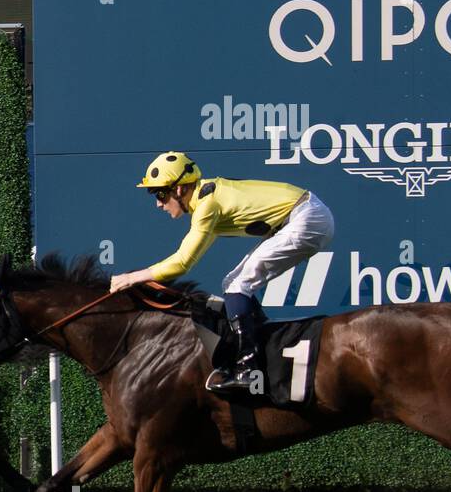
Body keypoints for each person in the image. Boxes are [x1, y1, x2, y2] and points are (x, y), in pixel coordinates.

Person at [108, 151, 335, 394]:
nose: (158, 203)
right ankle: (259, 352)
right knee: (233, 283)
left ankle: (248, 369)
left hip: (306, 218)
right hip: (305, 216)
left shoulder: (208, 204)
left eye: (160, 193)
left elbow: (182, 262)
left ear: (180, 189)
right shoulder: (207, 199)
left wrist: (131, 278)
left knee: (238, 284)